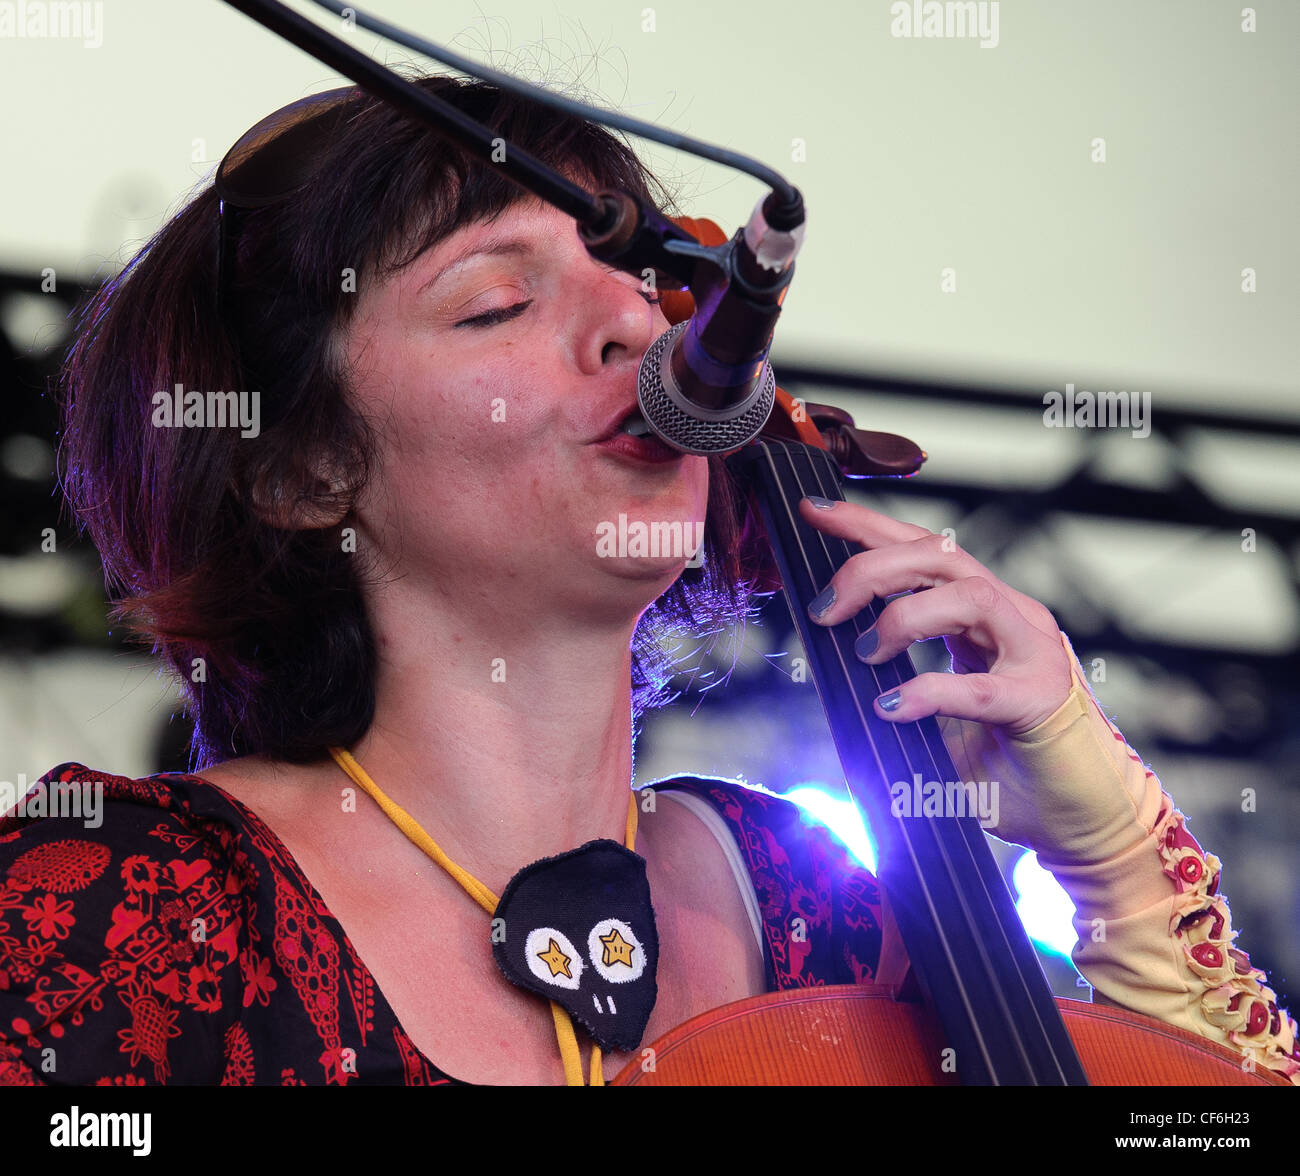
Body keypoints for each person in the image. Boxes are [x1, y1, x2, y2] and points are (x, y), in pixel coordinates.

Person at [0, 76, 1294, 1087]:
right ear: (303, 472)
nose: (638, 323)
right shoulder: (114, 912)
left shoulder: (818, 911)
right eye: (496, 304)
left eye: (635, 279)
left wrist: (1116, 850)